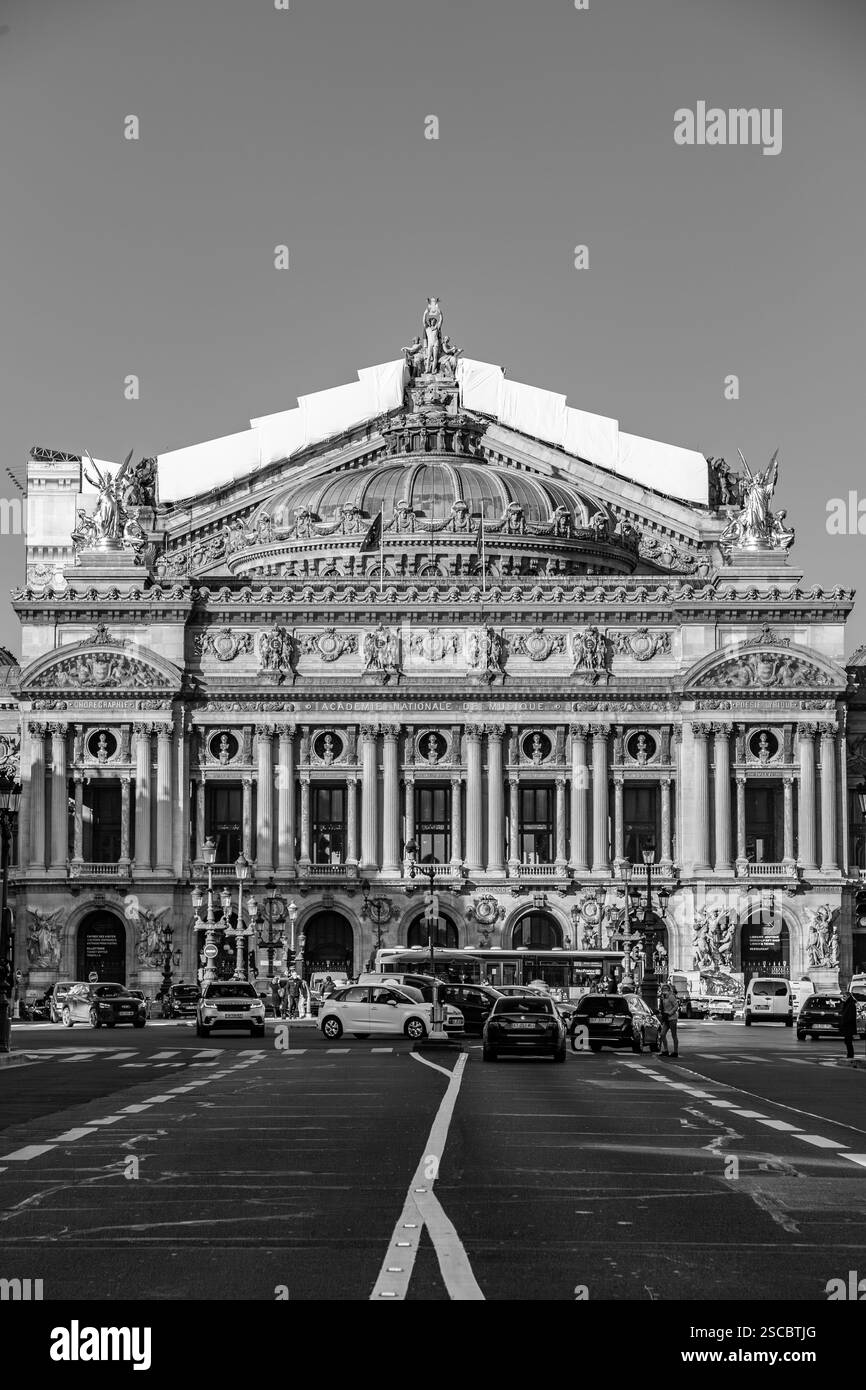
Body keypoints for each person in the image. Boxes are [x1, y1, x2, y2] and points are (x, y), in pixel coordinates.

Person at [658, 980, 680, 1057]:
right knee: (662, 1034)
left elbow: (676, 1006)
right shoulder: (663, 997)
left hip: (672, 1018)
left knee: (674, 1035)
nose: (664, 990)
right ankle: (666, 1050)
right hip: (666, 1018)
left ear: (668, 989)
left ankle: (675, 1051)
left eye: (665, 989)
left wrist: (670, 1012)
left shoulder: (671, 996)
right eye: (663, 989)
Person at [839, 984, 858, 1064]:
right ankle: (849, 1054)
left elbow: (850, 1016)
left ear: (848, 997)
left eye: (844, 997)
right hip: (847, 1026)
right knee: (847, 1041)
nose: (843, 998)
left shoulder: (851, 1004)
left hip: (849, 1026)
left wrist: (845, 1022)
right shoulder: (848, 1004)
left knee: (848, 1041)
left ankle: (850, 1055)